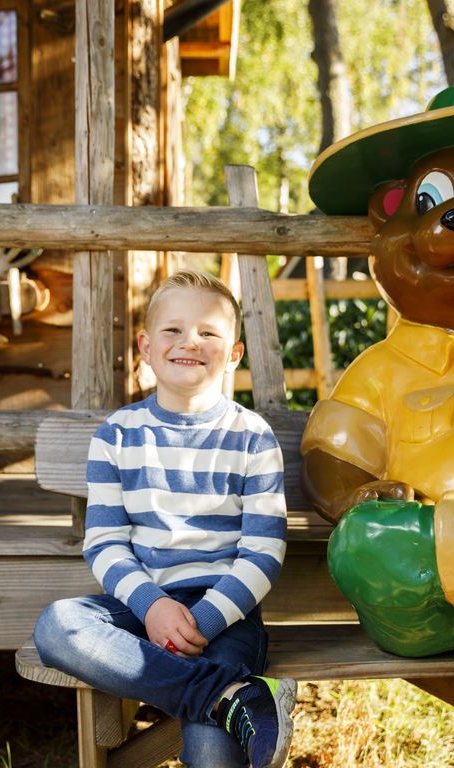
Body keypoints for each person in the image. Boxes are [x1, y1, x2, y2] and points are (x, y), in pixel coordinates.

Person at [34, 270, 296, 768]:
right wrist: (154, 608)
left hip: (227, 614)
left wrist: (200, 621)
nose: (189, 343)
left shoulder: (252, 437)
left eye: (209, 332)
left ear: (234, 354)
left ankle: (216, 699)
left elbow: (263, 553)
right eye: (173, 330)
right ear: (146, 347)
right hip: (140, 606)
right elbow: (106, 543)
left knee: (209, 744)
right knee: (57, 626)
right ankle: (232, 696)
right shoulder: (117, 435)